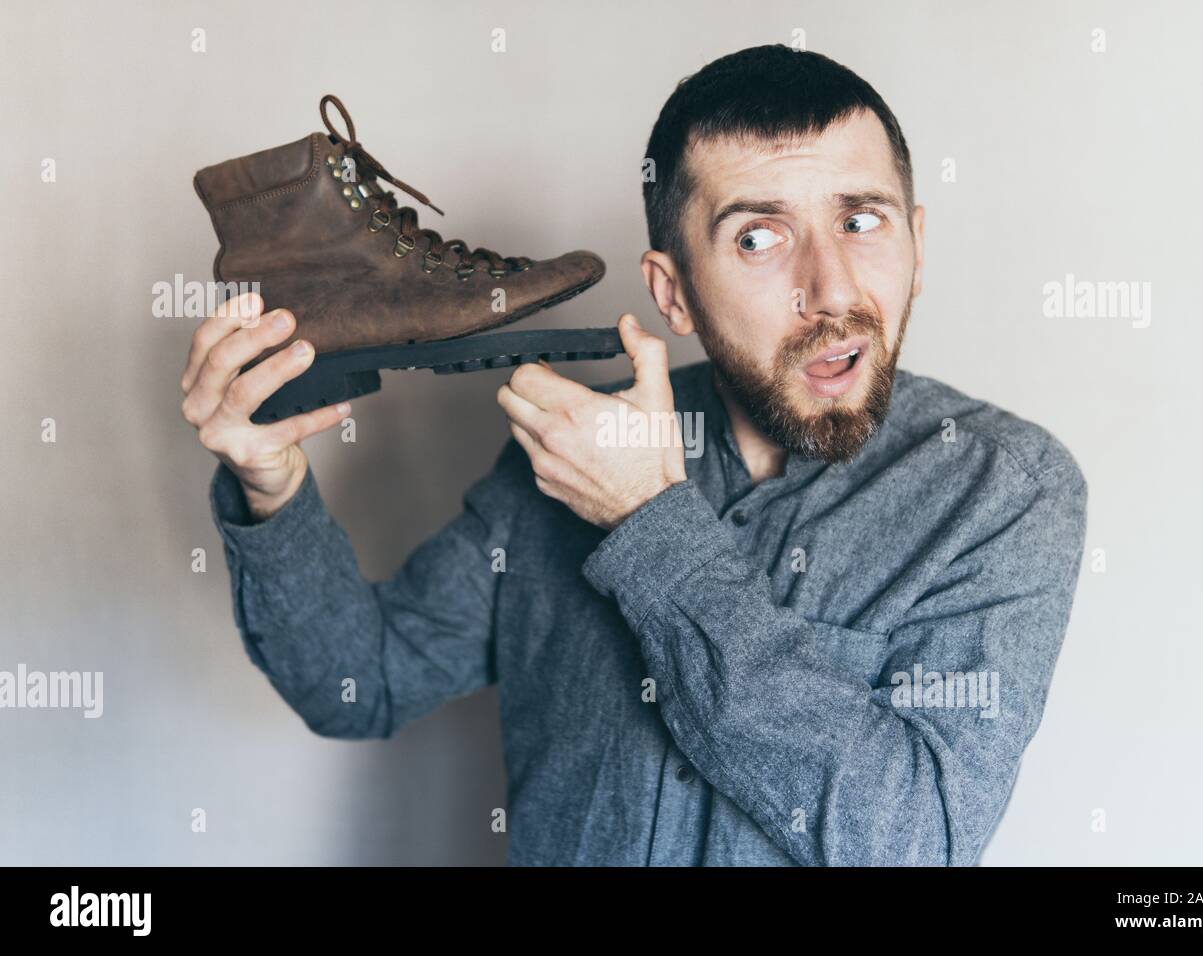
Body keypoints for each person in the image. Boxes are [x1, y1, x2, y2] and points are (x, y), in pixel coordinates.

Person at [179, 45, 1087, 866]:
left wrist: (648, 524)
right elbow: (361, 684)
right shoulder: (566, 456)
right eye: (758, 237)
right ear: (674, 293)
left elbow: (910, 843)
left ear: (918, 246)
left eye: (863, 222)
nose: (832, 289)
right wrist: (273, 488)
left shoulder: (1004, 489)